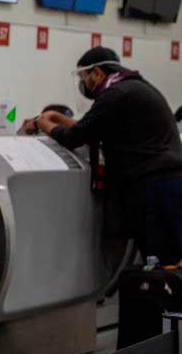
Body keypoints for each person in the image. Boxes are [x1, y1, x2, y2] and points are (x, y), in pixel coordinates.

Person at [27, 47, 182, 265]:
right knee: (172, 258)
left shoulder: (115, 94)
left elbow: (75, 137)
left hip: (152, 188)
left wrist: (43, 124)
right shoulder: (136, 87)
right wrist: (61, 120)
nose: (83, 84)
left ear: (98, 73)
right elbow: (95, 128)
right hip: (168, 183)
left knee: (161, 262)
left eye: (84, 77)